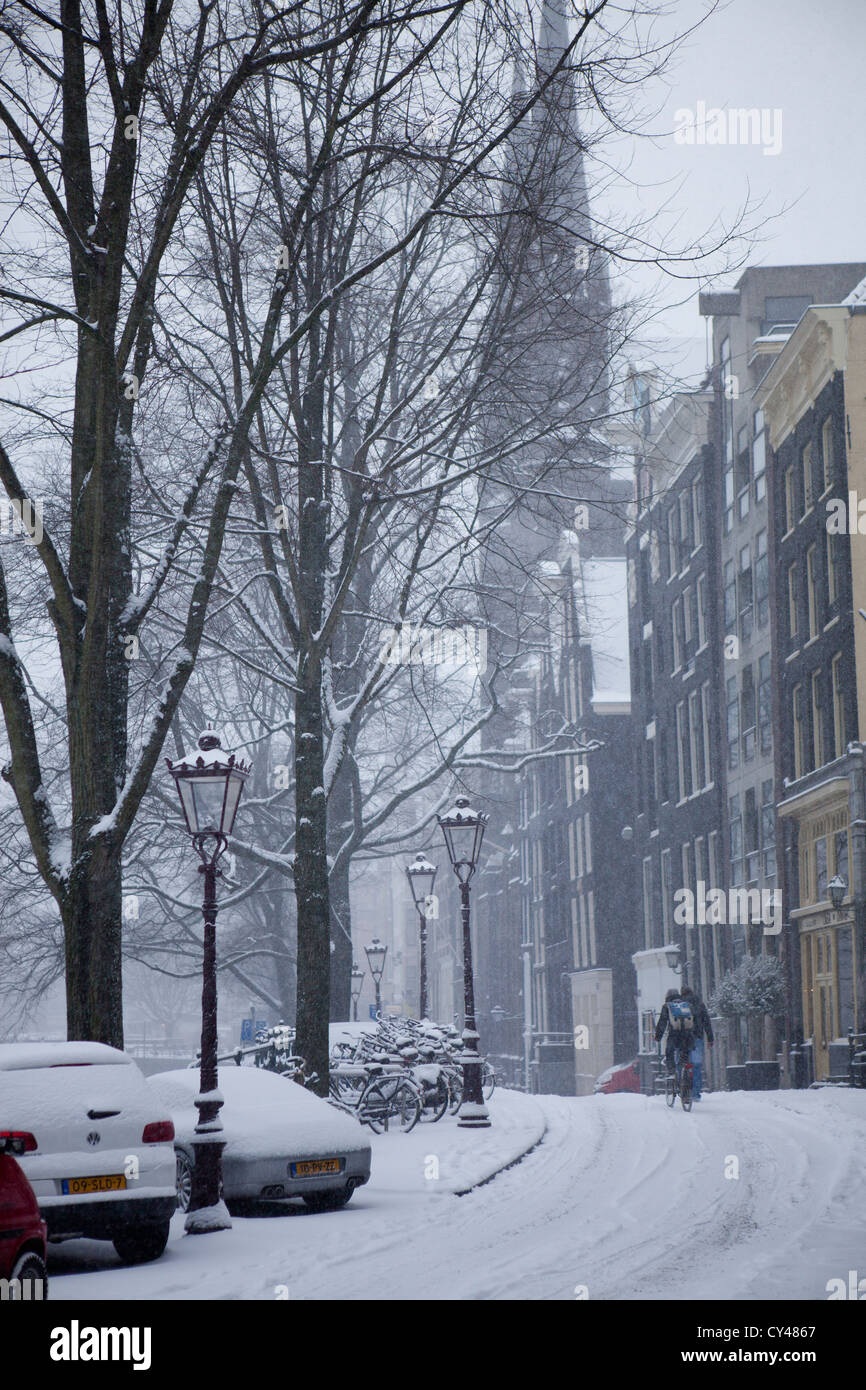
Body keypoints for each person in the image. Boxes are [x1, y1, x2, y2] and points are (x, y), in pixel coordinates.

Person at [655, 987, 694, 1088]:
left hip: (674, 1035)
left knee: (669, 1052)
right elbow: (694, 1020)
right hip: (687, 1036)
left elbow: (662, 1022)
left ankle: (671, 1072)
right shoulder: (687, 1005)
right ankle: (686, 1079)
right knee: (685, 1057)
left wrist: (658, 1037)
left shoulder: (667, 1006)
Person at [680, 986, 714, 1101]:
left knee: (682, 1062)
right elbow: (706, 1022)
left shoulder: (680, 1003)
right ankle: (695, 1094)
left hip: (683, 1038)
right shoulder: (699, 1003)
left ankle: (683, 1088)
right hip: (697, 1038)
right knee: (697, 1066)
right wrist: (710, 1038)